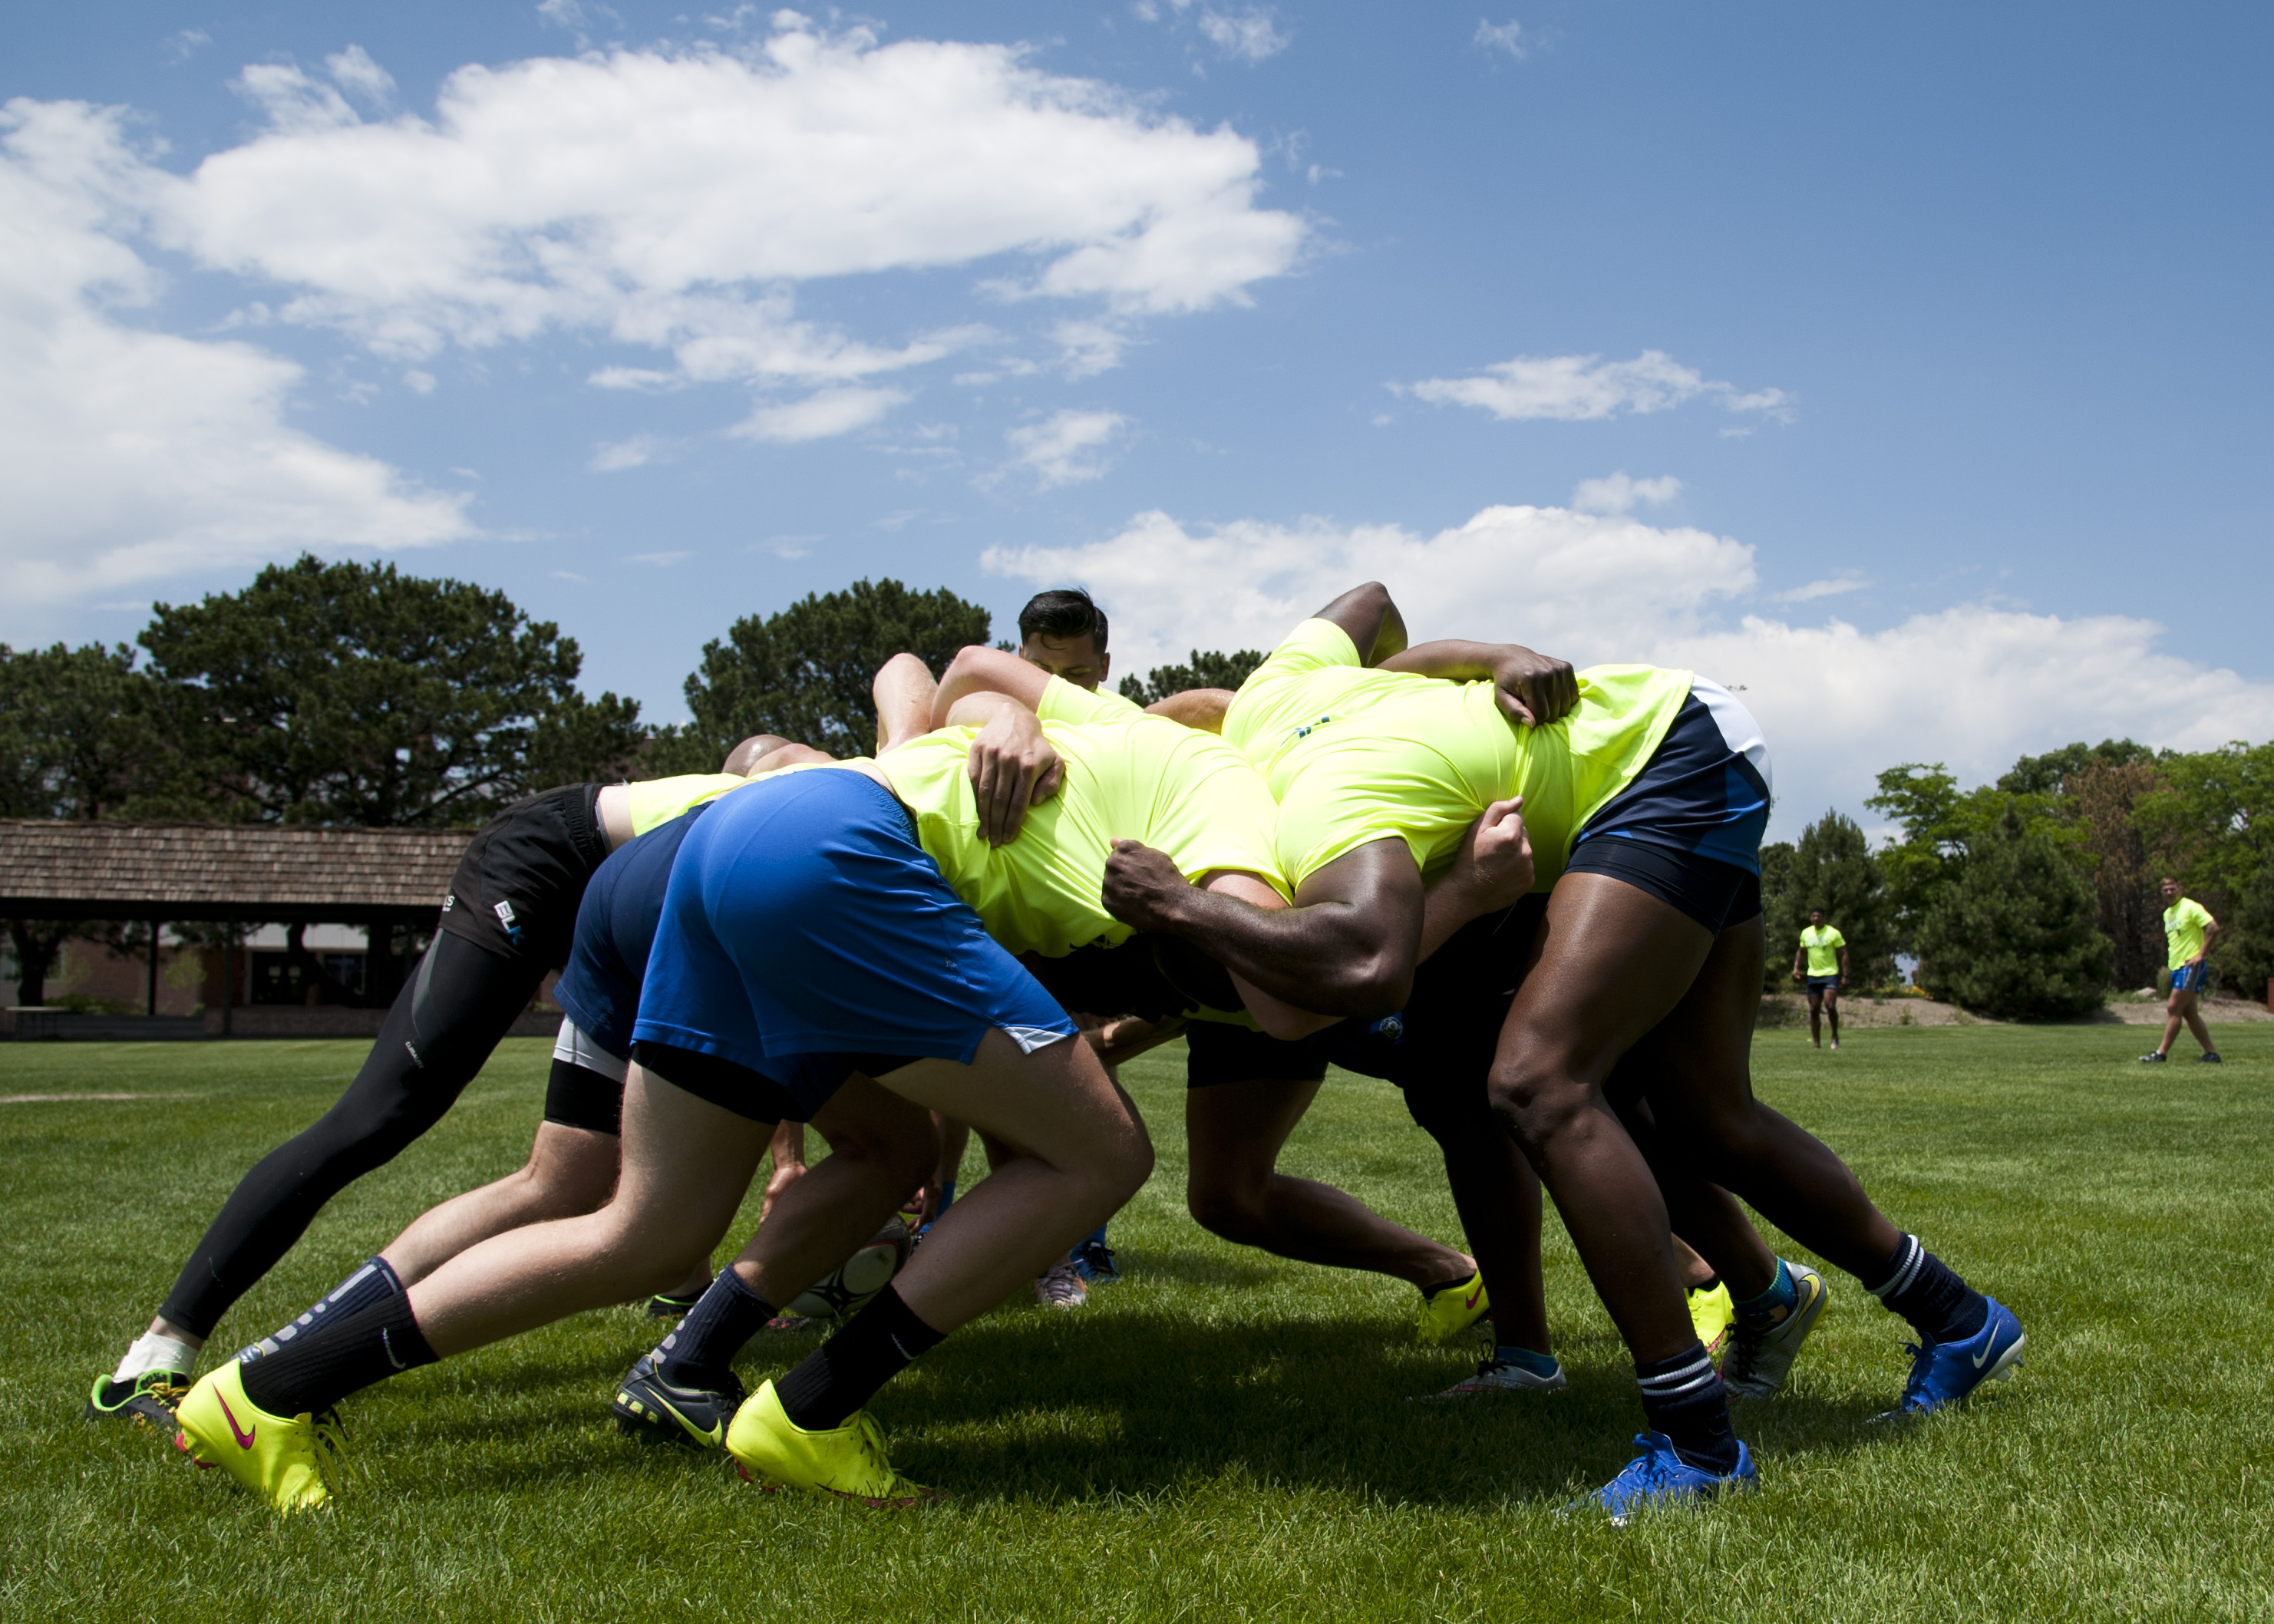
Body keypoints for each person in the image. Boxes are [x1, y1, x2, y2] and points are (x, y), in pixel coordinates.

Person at [168, 662, 1368, 1513]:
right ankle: (808, 1415)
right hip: (835, 862)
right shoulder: (1233, 790)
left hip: (730, 845)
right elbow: (1280, 987)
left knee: (646, 1234)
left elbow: (969, 682)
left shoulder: (1121, 734)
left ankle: (262, 1395)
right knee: (1101, 1154)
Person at [1104, 583, 2024, 1517]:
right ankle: (1959, 1321)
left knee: (1537, 1083)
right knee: (1703, 1113)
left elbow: (1365, 964)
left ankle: (1695, 1445)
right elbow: (1370, 603)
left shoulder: (1317, 801)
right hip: (1681, 728)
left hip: (1657, 766)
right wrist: (1485, 655)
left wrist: (1178, 903)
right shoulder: (1276, 690)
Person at [86, 753, 789, 1431]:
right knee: (383, 1112)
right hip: (556, 859)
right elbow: (762, 762)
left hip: (643, 912)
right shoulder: (837, 783)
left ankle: (682, 1287)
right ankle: (151, 1360)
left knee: (578, 1171)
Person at [938, 643, 1503, 1337]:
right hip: (1241, 984)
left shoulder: (1196, 764)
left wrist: (1464, 891)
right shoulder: (1091, 757)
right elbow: (958, 674)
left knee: (1497, 1100)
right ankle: (1454, 1277)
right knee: (1227, 1198)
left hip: (1306, 966)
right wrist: (1008, 719)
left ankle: (1608, 1297)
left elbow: (1299, 1000)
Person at [2142, 876, 2221, 1065]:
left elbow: (2212, 927)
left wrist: (2200, 955)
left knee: (2173, 1007)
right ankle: (2211, 1054)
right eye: (2165, 890)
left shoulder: (2190, 907)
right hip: (2177, 968)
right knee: (2189, 1013)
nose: (2169, 893)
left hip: (2191, 966)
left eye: (2172, 889)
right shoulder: (2168, 914)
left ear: (2180, 889)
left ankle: (2161, 1053)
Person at [1792, 908, 1849, 1050]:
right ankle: (1816, 1043)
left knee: (1830, 1006)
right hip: (1813, 975)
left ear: (1824, 918)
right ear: (1811, 918)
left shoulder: (1833, 933)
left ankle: (1835, 1036)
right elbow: (1801, 951)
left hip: (1830, 974)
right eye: (1814, 916)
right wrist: (1796, 968)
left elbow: (1844, 953)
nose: (1816, 918)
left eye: (1819, 916)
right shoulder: (1806, 933)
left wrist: (1846, 975)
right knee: (1813, 1009)